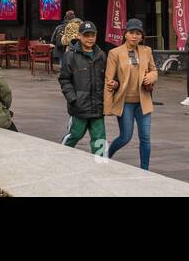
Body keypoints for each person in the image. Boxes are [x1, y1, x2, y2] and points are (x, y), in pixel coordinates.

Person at [104, 18, 157, 170]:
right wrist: (108, 107)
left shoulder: (147, 51)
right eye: (131, 32)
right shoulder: (115, 53)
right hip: (125, 102)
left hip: (143, 101)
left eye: (138, 33)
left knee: (145, 138)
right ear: (125, 34)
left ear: (142, 36)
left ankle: (145, 170)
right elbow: (109, 80)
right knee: (125, 137)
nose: (135, 36)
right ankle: (107, 154)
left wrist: (151, 77)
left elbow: (154, 70)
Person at [58, 21, 107, 156]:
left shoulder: (101, 55)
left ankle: (101, 165)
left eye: (93, 35)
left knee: (100, 139)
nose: (90, 38)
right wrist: (73, 98)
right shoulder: (71, 55)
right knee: (74, 135)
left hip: (98, 107)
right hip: (79, 107)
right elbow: (64, 79)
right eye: (86, 35)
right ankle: (61, 157)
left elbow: (107, 78)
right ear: (79, 36)